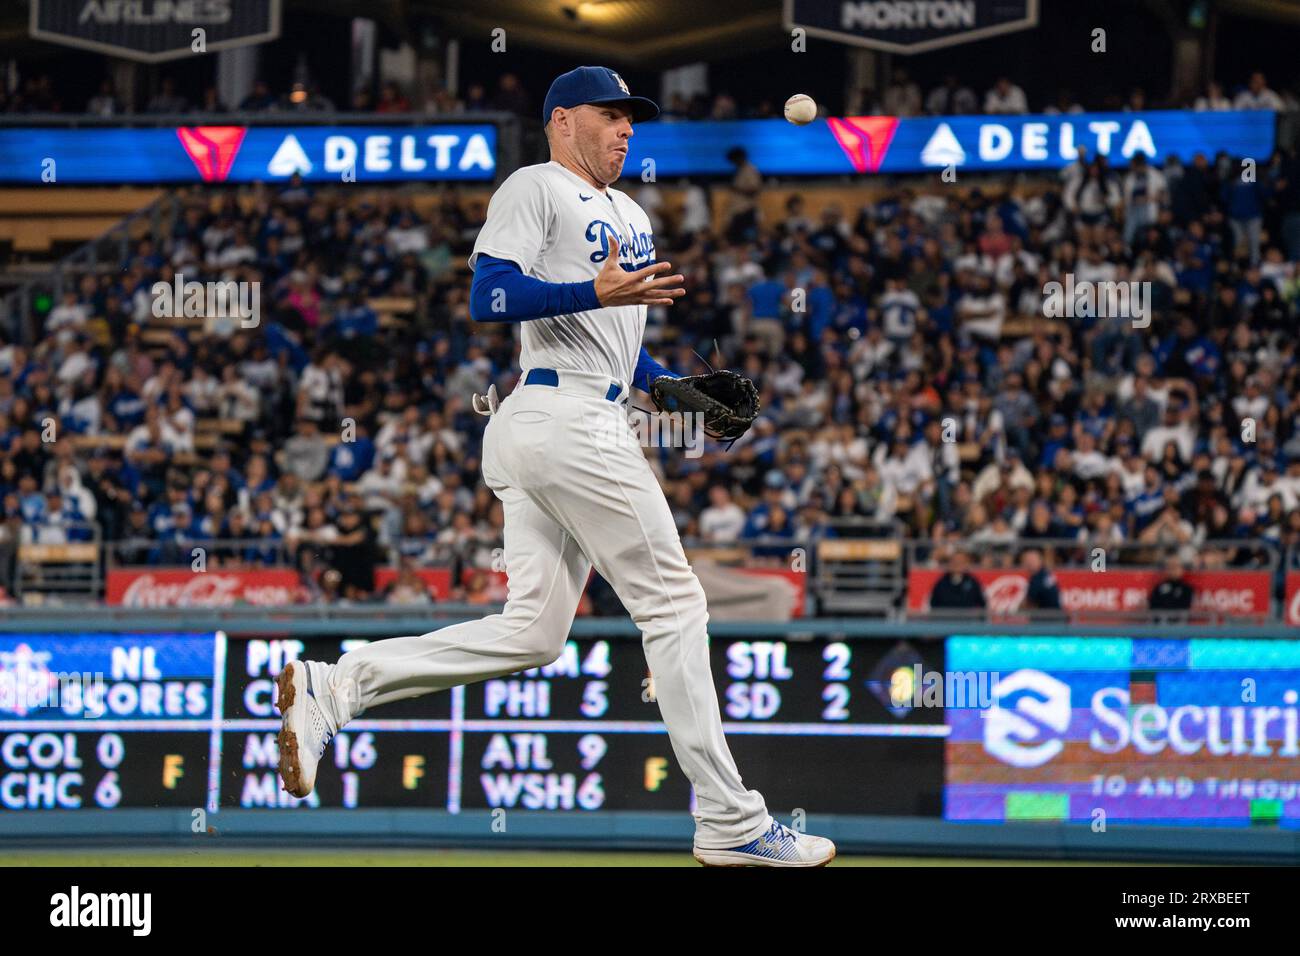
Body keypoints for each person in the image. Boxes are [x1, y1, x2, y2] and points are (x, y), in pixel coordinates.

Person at [275, 66, 834, 868]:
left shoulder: (631, 211)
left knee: (535, 634)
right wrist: (588, 293)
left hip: (575, 418)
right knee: (675, 604)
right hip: (561, 417)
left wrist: (675, 392)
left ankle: (340, 685)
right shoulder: (533, 186)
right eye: (610, 115)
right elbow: (489, 298)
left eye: (631, 118)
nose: (626, 128)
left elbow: (620, 346)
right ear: (562, 120)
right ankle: (732, 820)